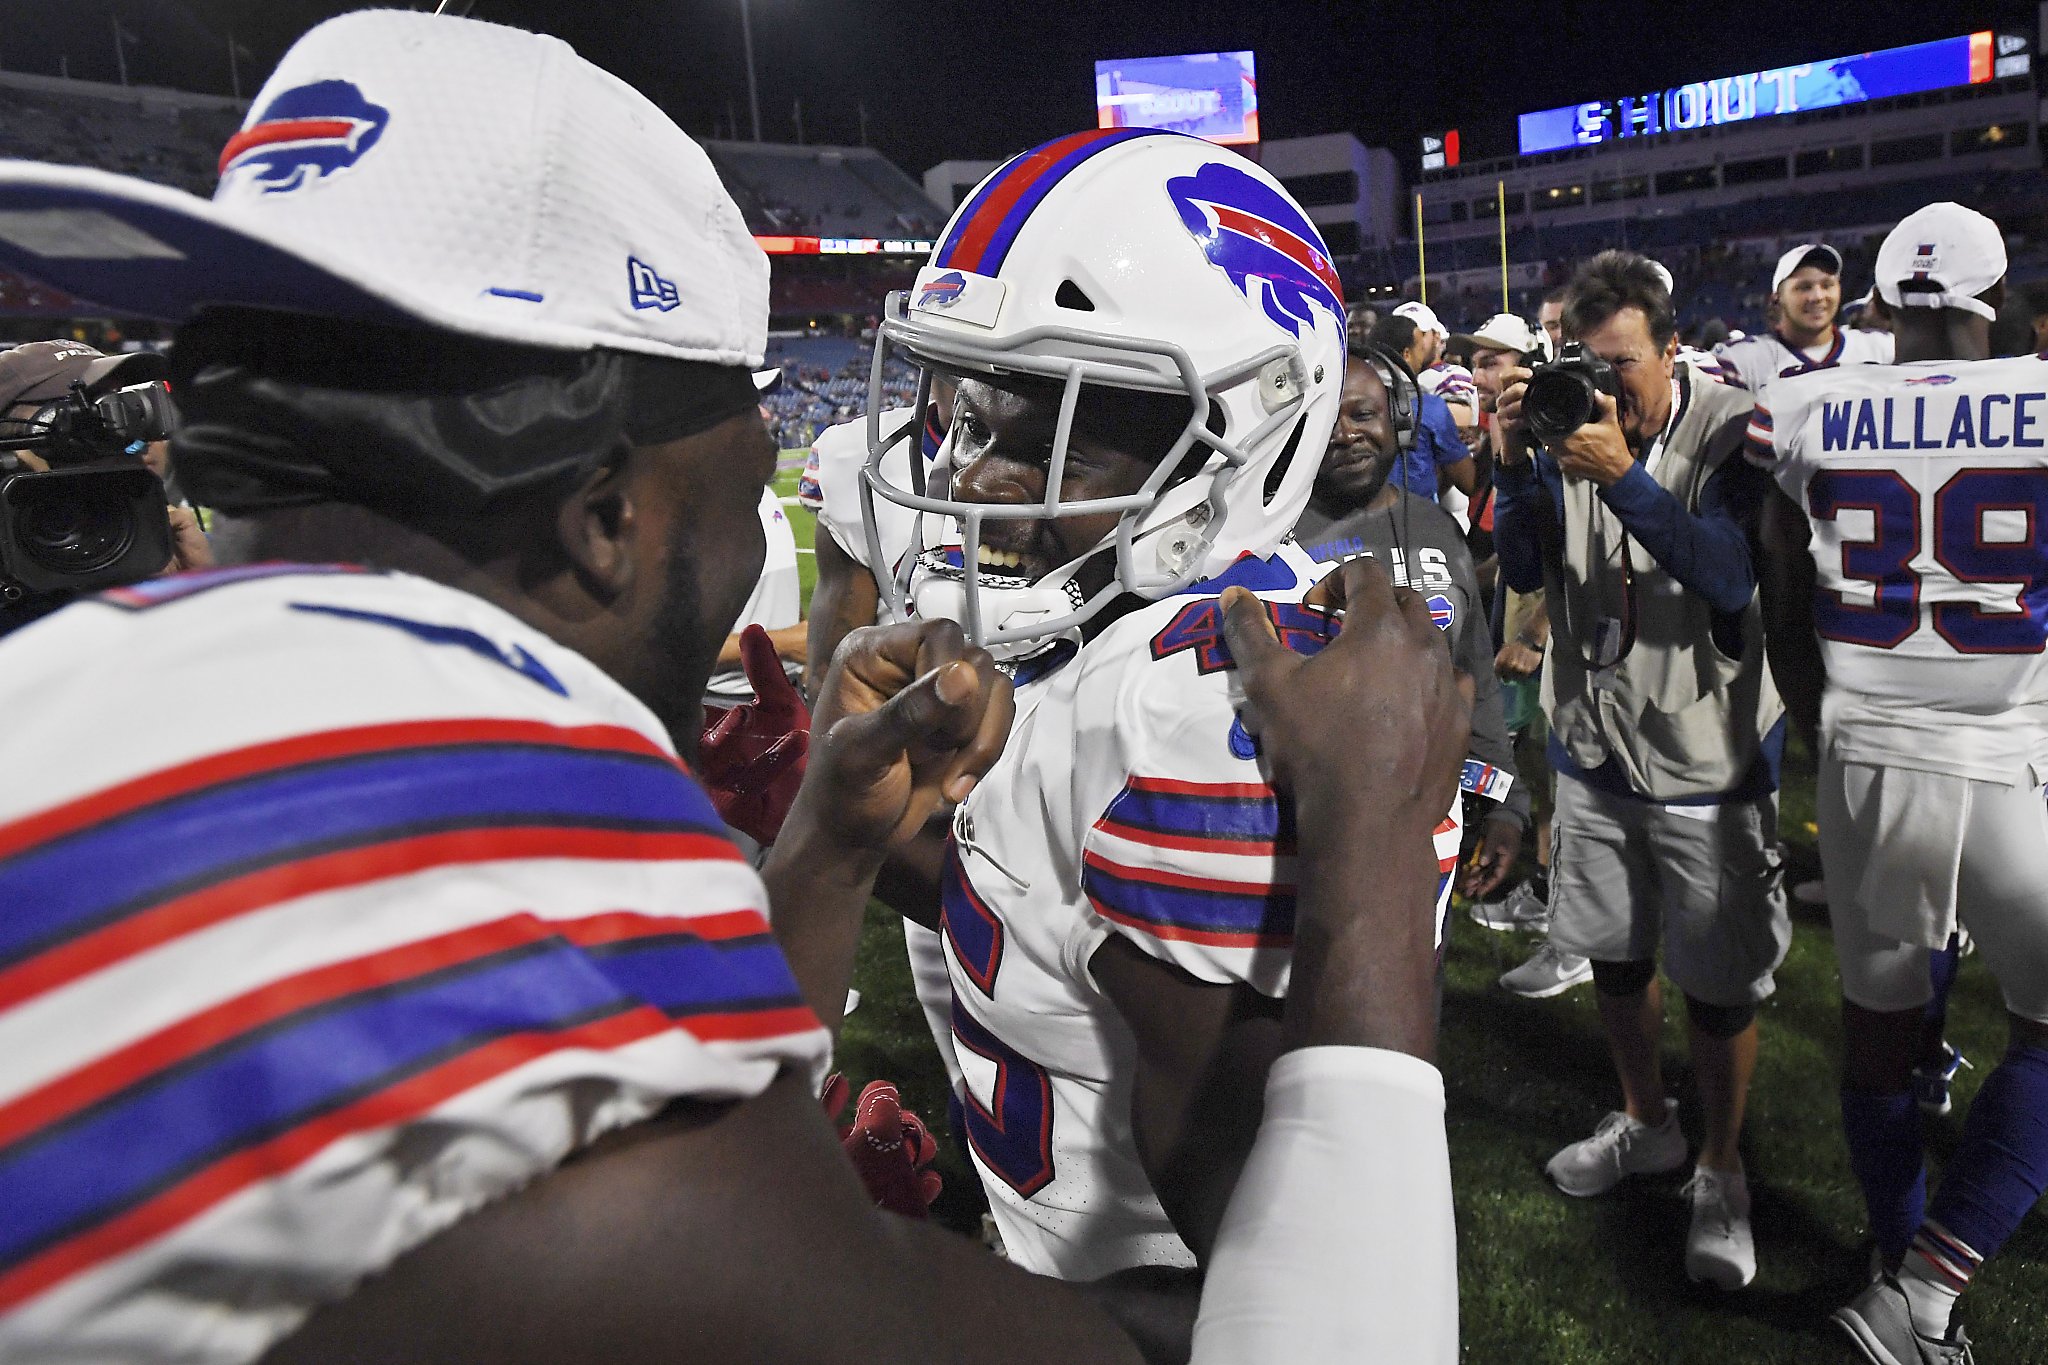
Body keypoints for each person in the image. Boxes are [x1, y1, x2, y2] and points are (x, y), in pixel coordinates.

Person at [0, 14, 1467, 1362]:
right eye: (739, 406)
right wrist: (1379, 875)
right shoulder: (488, 900)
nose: (947, 470)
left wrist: (830, 849)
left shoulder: (82, 711)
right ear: (606, 513)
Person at [859, 128, 1466, 1303]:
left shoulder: (1202, 716)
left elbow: (1279, 1295)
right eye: (976, 416)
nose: (977, 475)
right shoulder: (1113, 633)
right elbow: (1040, 913)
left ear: (1246, 436)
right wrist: (849, 827)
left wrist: (950, 1314)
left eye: (1047, 433)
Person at [1753, 202, 2048, 1365]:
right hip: (2013, 752)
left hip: (1868, 754)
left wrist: (1825, 714)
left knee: (1878, 1040)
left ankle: (1894, 1255)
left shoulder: (1808, 408)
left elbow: (1780, 587)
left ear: (1875, 303)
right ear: (1994, 293)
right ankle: (1922, 1292)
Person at [1493, 249, 1788, 1290]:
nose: (1604, 388)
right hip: (1593, 745)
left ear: (1673, 349)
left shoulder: (1731, 428)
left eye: (1624, 366)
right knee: (1613, 959)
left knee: (1715, 983)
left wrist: (1620, 477)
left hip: (1707, 758)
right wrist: (1511, 467)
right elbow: (1527, 571)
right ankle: (1645, 1120)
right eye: (1588, 365)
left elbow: (1725, 573)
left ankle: (1718, 1166)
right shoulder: (1565, 426)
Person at [1294, 344, 1527, 902]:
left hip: (1431, 816)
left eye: (1363, 414)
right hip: (1311, 823)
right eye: (1326, 418)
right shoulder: (1272, 537)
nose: (1344, 434)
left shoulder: (1435, 527)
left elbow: (1472, 671)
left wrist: (1505, 803)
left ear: (1398, 418)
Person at [1718, 243, 1893, 394]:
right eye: (1804, 287)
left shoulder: (1882, 348)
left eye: (1827, 285)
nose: (1817, 296)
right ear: (1776, 298)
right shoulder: (1741, 359)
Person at [1370, 313, 1476, 502]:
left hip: (1350, 523)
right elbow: (1469, 482)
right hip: (1414, 522)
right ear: (1406, 354)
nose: (1422, 357)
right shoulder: (1428, 406)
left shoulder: (1343, 400)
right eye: (1420, 349)